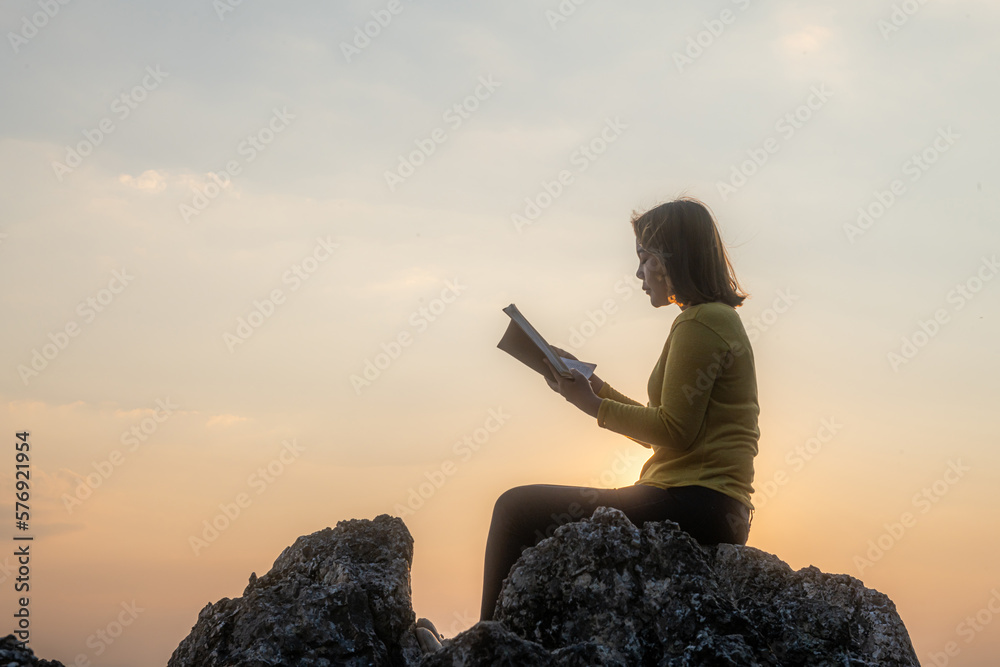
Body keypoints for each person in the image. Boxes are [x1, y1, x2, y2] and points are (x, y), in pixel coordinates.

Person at [415, 196, 760, 653]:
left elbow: (675, 432)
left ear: (673, 258)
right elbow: (668, 429)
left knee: (515, 509)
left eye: (644, 258)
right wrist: (591, 388)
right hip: (706, 504)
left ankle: (481, 651)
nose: (638, 273)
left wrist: (592, 405)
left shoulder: (700, 324)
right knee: (523, 510)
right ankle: (496, 645)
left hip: (694, 504)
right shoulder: (711, 320)